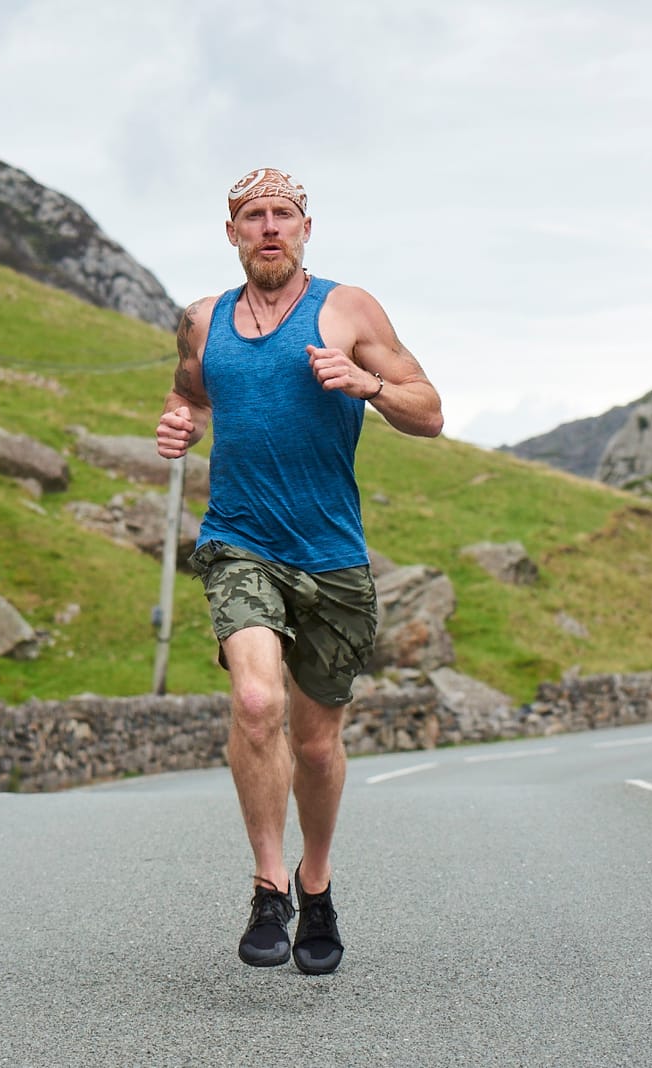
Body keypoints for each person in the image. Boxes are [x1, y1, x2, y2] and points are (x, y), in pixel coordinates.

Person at [154, 167, 444, 975]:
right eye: (254, 216)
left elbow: (430, 410)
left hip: (332, 556)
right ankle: (269, 885)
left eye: (284, 214)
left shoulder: (348, 309)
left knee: (316, 747)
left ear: (307, 229)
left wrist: (369, 384)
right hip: (239, 540)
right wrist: (181, 425)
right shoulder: (202, 320)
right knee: (255, 701)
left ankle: (316, 886)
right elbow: (191, 398)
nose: (270, 227)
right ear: (233, 233)